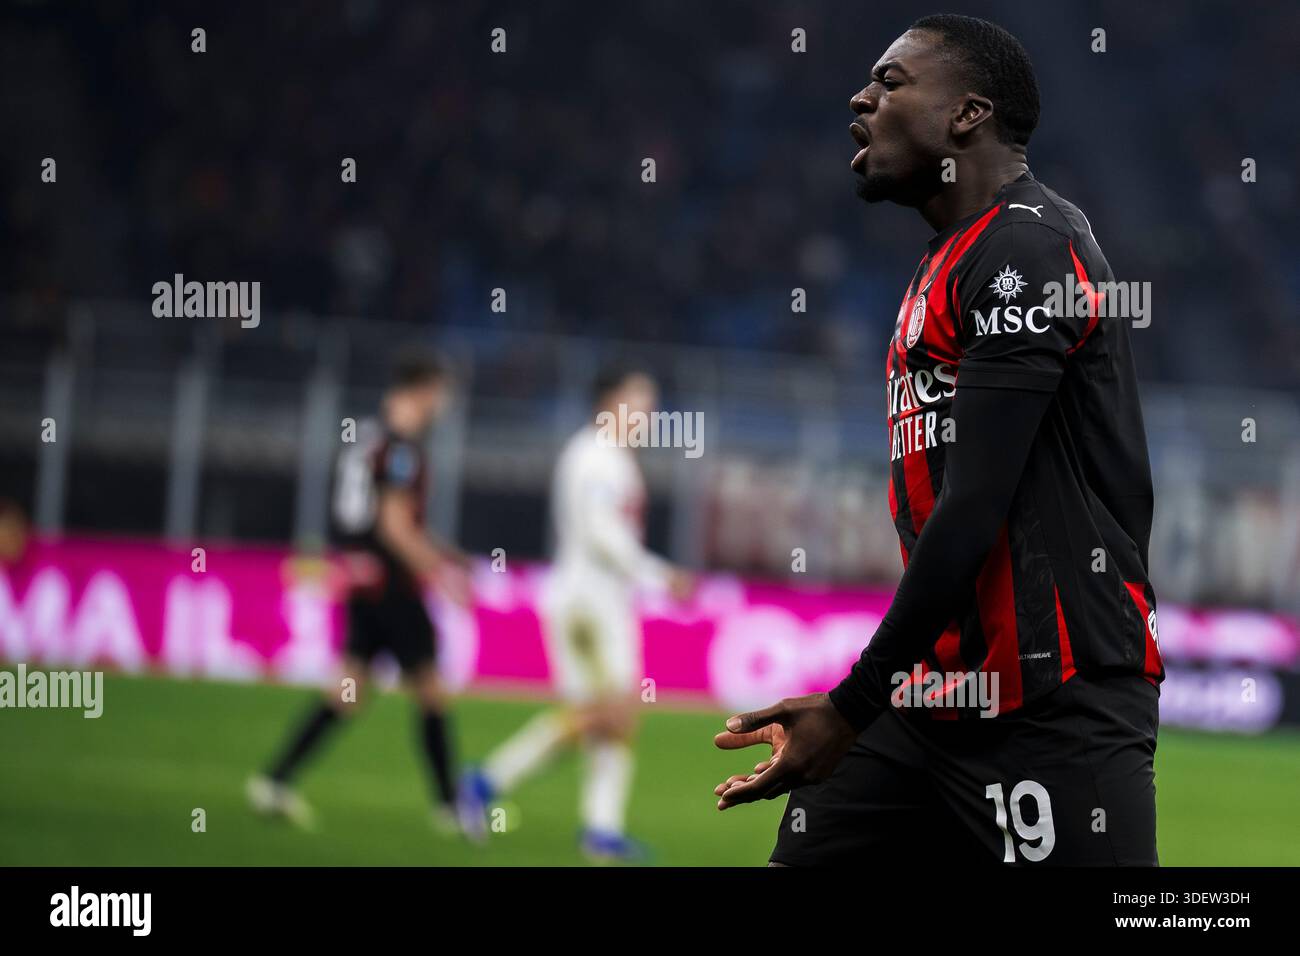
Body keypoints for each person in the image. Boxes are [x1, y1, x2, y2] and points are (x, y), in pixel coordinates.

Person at [713, 14, 1163, 866]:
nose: (861, 96)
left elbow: (976, 506)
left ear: (967, 115)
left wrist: (850, 703)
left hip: (1052, 692)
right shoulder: (944, 261)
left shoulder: (1029, 251)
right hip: (933, 697)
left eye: (890, 82)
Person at [460, 368, 693, 862]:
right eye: (639, 401)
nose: (648, 414)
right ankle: (488, 780)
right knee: (613, 712)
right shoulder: (597, 457)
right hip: (592, 602)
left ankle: (600, 830)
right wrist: (659, 575)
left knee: (609, 720)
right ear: (610, 402)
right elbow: (601, 533)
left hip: (591, 598)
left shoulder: (605, 456)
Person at [248, 352, 472, 836]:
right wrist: (442, 575)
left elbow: (385, 521)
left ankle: (275, 781)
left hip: (363, 579)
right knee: (431, 691)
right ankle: (451, 807)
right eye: (442, 393)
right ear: (425, 389)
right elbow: (394, 528)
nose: (445, 404)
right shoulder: (403, 450)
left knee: (348, 692)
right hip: (392, 586)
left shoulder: (369, 439)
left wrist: (447, 553)